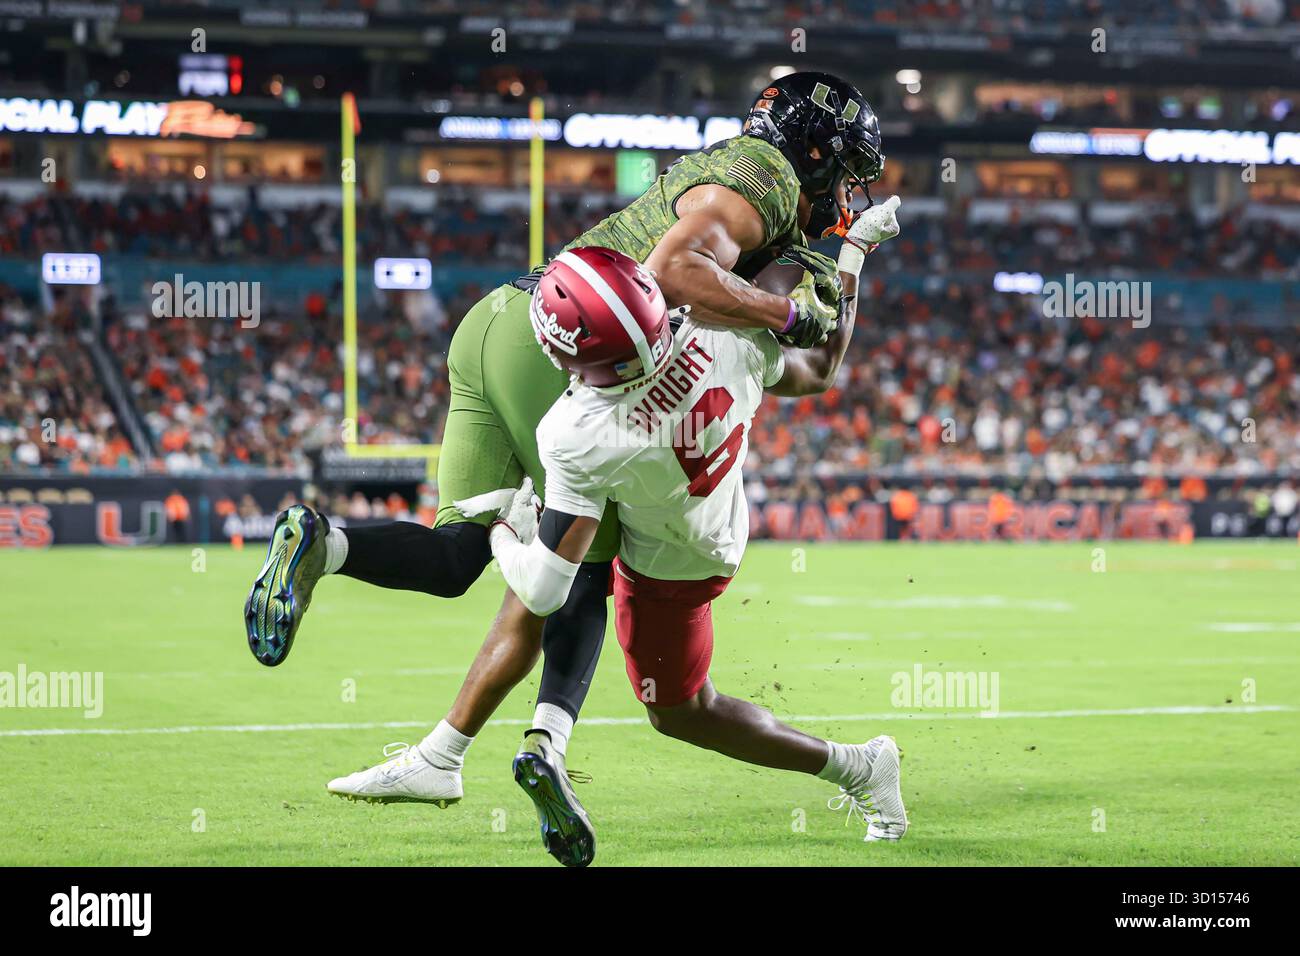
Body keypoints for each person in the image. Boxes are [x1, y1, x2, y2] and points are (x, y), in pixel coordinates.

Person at [244, 72, 890, 866]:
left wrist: (846, 258)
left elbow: (775, 336)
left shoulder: (761, 216)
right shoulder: (766, 175)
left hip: (499, 325)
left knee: (455, 558)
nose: (848, 194)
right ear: (814, 153)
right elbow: (686, 273)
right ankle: (538, 747)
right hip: (573, 361)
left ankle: (330, 548)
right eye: (848, 173)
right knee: (586, 564)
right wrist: (794, 309)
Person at [479, 242, 907, 844]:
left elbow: (545, 587)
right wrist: (854, 260)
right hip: (716, 526)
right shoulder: (722, 337)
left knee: (679, 711)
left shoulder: (575, 433)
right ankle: (548, 737)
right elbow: (822, 368)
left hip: (671, 570)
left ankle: (859, 765)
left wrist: (504, 531)